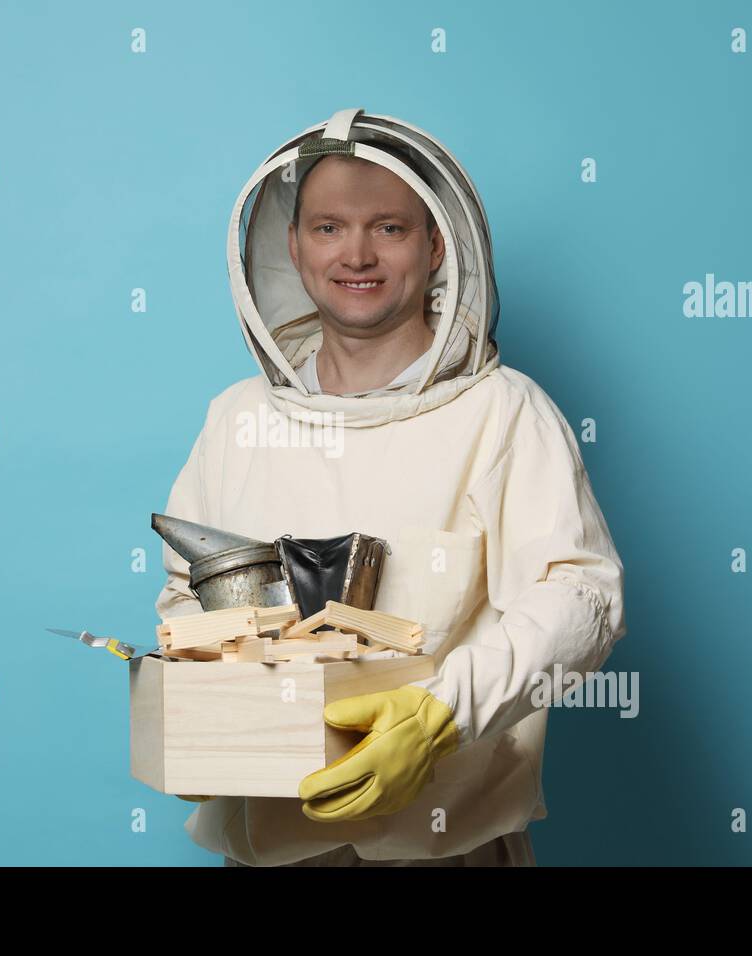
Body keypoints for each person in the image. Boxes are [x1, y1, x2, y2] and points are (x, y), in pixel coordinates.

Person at [155, 109, 627, 867]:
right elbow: (188, 596)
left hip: (451, 846)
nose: (358, 254)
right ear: (292, 246)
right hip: (269, 847)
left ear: (438, 244)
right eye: (329, 227)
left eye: (390, 228)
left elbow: (579, 600)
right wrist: (194, 713)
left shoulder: (504, 412)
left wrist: (439, 716)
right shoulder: (236, 418)